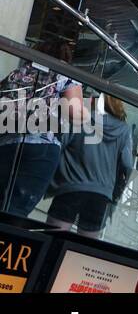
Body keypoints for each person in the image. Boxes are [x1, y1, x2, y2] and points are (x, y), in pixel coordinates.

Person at [0, 43, 85, 218]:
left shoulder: (19, 72)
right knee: (17, 211)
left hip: (6, 145)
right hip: (41, 146)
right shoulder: (65, 74)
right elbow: (75, 113)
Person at [47, 95, 135, 239]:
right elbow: (128, 166)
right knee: (85, 248)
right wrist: (116, 193)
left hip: (70, 187)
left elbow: (59, 144)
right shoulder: (124, 130)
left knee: (51, 239)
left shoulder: (80, 120)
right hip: (101, 196)